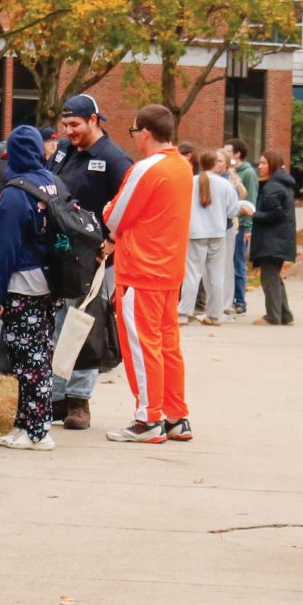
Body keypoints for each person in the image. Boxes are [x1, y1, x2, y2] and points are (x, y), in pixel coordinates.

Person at [101, 105, 194, 443]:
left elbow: (114, 216)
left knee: (142, 346)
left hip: (141, 270)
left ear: (147, 133)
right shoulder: (182, 166)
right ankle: (175, 415)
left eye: (134, 132)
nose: (134, 138)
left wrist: (109, 217)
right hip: (169, 271)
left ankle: (148, 418)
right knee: (168, 344)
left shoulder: (146, 168)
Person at [51, 95, 130, 428]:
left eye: (75, 125)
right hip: (59, 253)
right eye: (65, 125)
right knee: (56, 326)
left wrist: (113, 242)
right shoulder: (62, 152)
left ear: (94, 120)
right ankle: (55, 397)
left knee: (85, 327)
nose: (69, 131)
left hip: (96, 260)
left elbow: (129, 206)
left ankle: (79, 401)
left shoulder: (114, 159)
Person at [0, 125, 62, 450]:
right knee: (40, 355)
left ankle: (37, 432)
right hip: (51, 281)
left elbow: (3, 251)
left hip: (23, 284)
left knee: (29, 361)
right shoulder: (53, 182)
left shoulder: (14, 194)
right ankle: (27, 424)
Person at [178, 149, 240, 327]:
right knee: (216, 275)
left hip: (195, 233)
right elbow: (232, 211)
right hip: (217, 233)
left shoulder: (190, 182)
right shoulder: (224, 185)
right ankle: (214, 314)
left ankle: (184, 312)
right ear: (214, 164)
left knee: (192, 274)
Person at [248, 152, 297, 326]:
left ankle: (273, 315)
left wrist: (253, 214)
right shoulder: (282, 184)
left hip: (272, 239)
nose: (259, 166)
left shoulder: (273, 187)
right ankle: (285, 314)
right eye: (259, 163)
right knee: (274, 276)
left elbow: (275, 214)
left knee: (269, 277)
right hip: (281, 238)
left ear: (273, 165)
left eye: (263, 163)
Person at [227, 139, 259, 315]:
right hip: (229, 224)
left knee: (239, 262)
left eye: (228, 151)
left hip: (242, 225)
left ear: (237, 153)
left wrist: (248, 228)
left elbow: (250, 201)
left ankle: (240, 300)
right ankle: (229, 298)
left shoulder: (247, 173)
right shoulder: (229, 172)